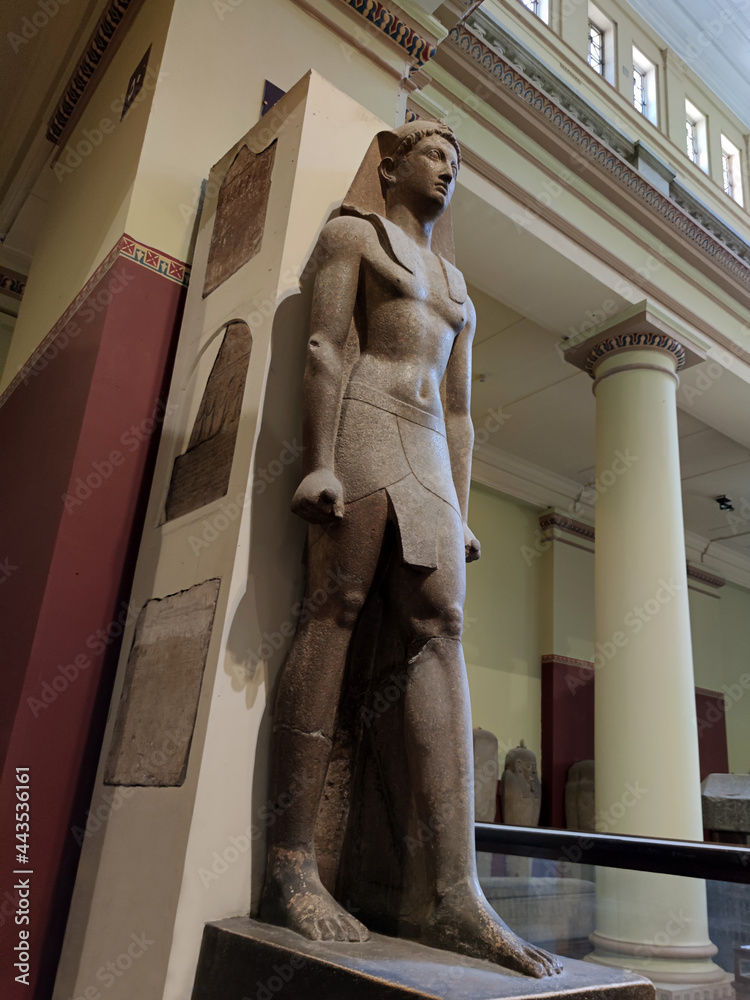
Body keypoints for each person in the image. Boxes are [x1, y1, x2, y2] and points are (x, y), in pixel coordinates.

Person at [260, 120, 561, 978]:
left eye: (459, 162)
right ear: (391, 162)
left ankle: (456, 889)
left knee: (442, 629)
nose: (449, 170)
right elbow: (323, 345)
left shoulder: (456, 283)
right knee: (337, 606)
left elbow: (462, 413)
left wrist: (461, 510)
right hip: (362, 421)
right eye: (435, 154)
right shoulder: (354, 234)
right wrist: (317, 461)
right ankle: (292, 864)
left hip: (429, 446)